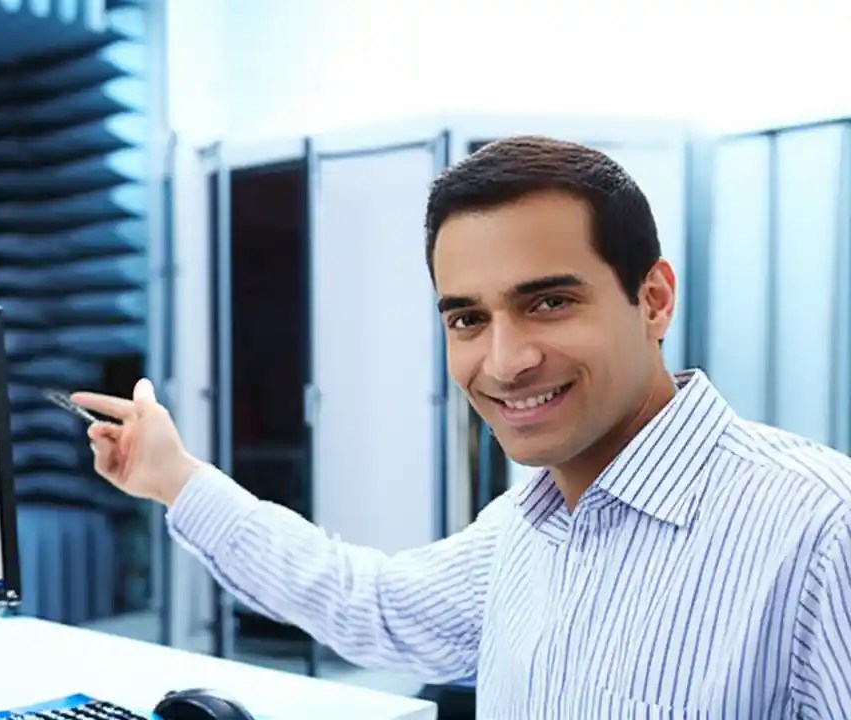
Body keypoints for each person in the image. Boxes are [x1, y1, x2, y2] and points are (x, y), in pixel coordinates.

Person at [72, 136, 851, 718]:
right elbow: (368, 602)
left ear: (652, 298)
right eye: (469, 318)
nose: (506, 361)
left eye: (550, 302)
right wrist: (173, 478)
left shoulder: (821, 530)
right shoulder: (526, 526)